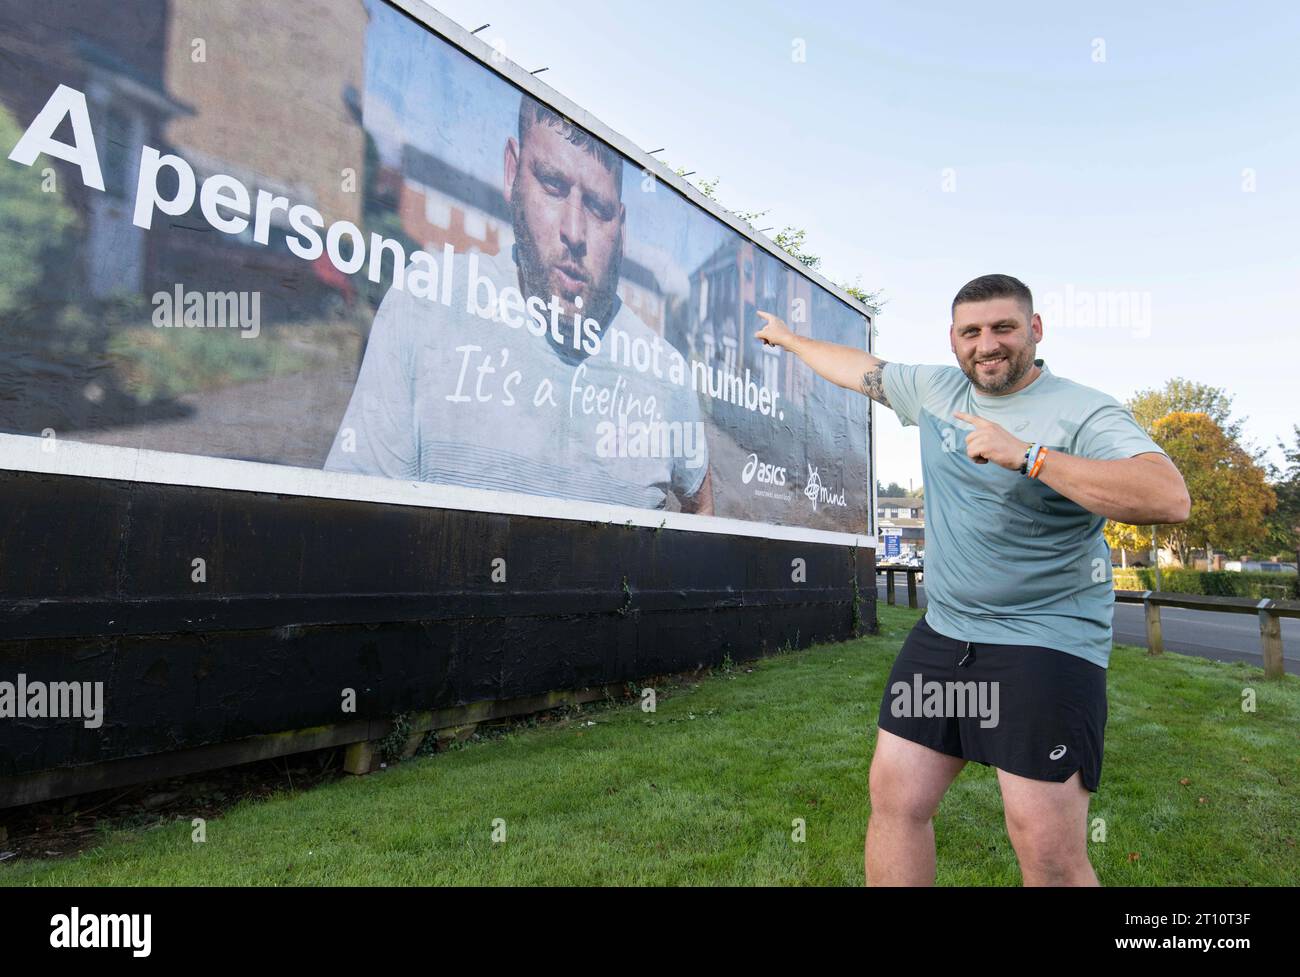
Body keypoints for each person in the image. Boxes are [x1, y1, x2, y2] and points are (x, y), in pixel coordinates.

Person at [755, 273, 1191, 886]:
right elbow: (862, 369)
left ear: (1034, 331)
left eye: (1004, 328)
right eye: (972, 332)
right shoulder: (935, 388)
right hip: (945, 635)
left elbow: (1168, 497)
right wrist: (792, 341)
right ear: (954, 340)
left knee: (1045, 846)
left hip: (1045, 640)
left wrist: (1030, 457)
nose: (987, 344)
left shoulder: (1083, 409)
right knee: (897, 803)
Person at [325, 93, 712, 514]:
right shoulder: (424, 303)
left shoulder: (665, 373)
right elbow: (352, 519)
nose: (575, 232)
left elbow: (701, 507)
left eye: (598, 209)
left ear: (621, 226)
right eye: (553, 186)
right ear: (512, 171)